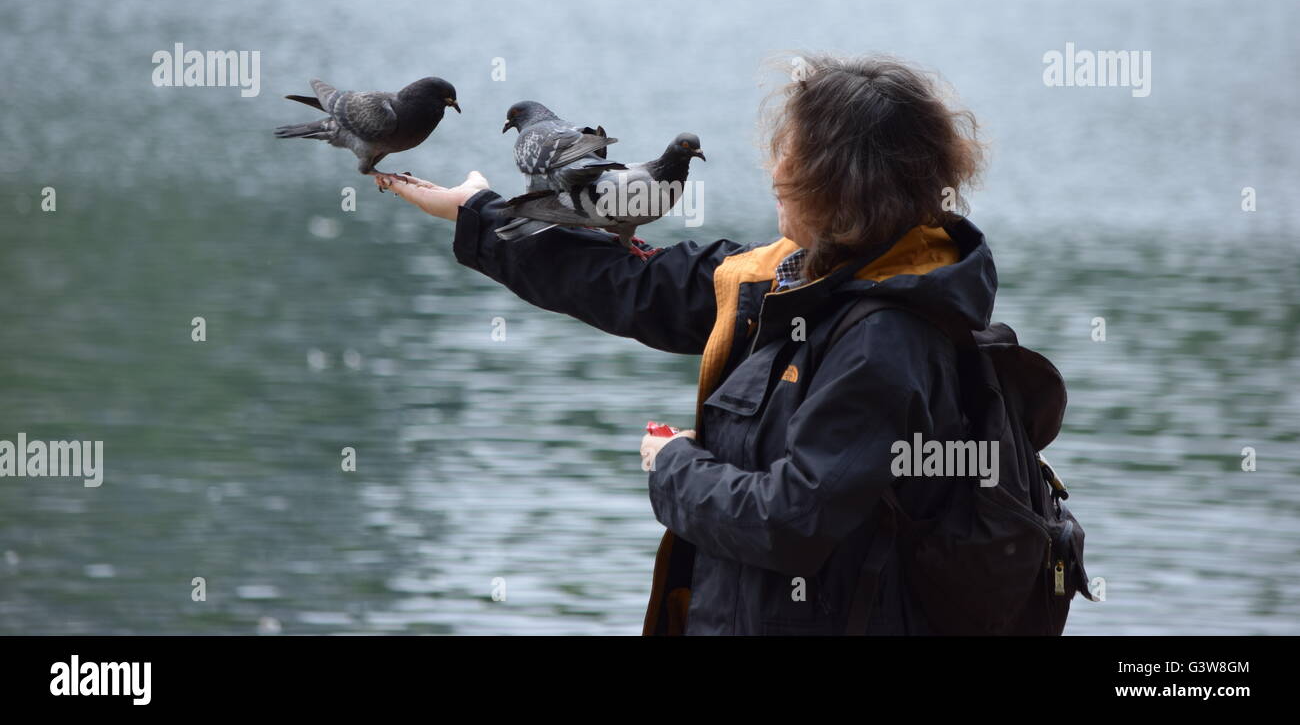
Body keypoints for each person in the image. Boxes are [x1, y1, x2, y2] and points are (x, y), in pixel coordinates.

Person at [380, 54, 993, 635]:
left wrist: (673, 466)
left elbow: (791, 520)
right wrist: (478, 215)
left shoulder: (886, 338)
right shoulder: (791, 278)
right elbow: (638, 285)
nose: (773, 169)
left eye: (792, 152)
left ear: (843, 183)